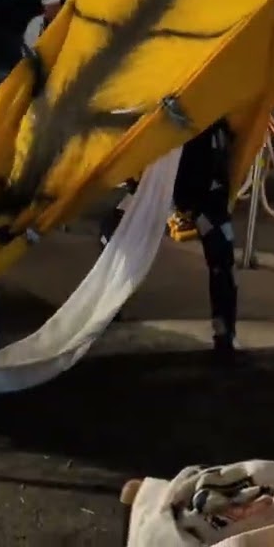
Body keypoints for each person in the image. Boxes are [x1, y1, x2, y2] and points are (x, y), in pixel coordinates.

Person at [98, 119, 239, 364]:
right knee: (110, 232)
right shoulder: (160, 110)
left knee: (221, 252)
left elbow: (220, 162)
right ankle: (111, 304)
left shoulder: (213, 118)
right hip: (155, 190)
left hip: (199, 194)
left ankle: (224, 331)